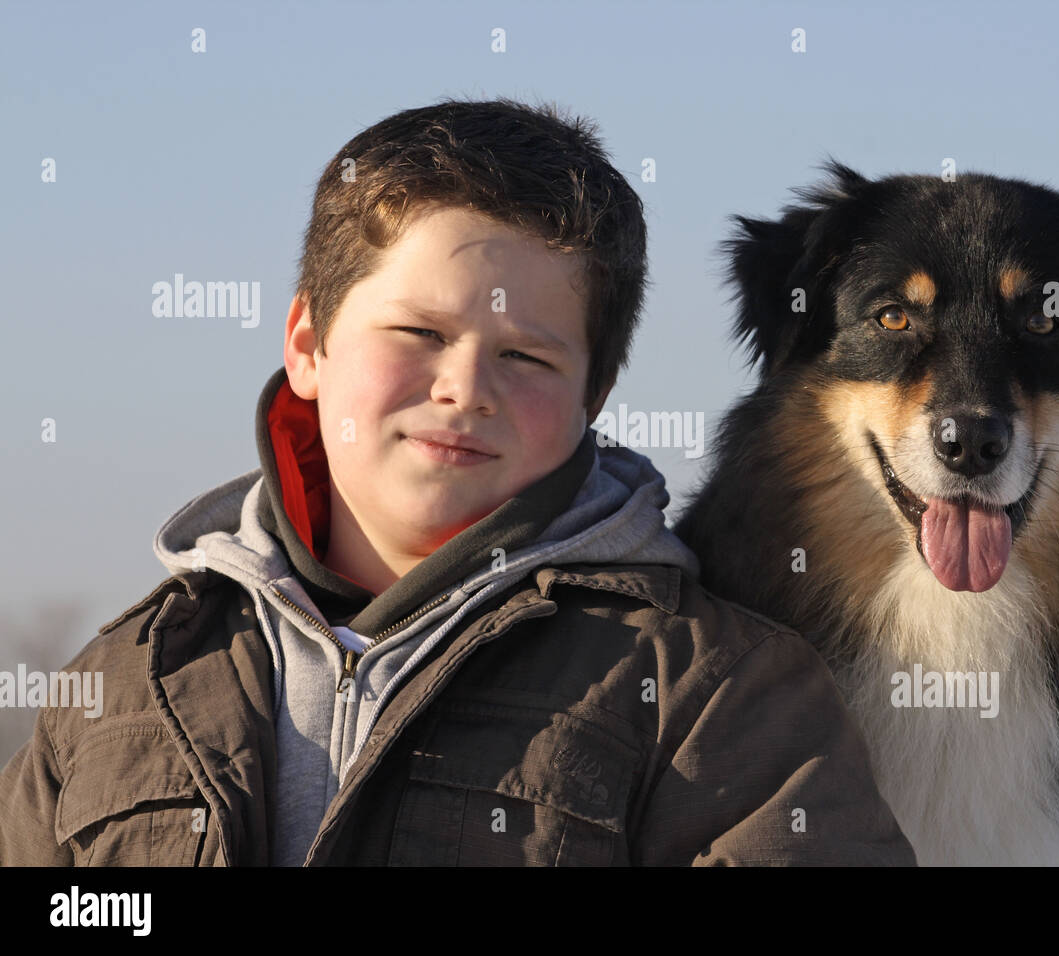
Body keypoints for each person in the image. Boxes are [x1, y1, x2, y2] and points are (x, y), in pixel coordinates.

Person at [0, 99, 914, 866]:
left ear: (595, 395)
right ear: (308, 344)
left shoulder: (717, 696)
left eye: (524, 356)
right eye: (418, 334)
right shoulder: (130, 681)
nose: (464, 390)